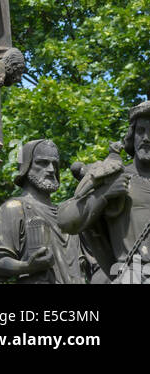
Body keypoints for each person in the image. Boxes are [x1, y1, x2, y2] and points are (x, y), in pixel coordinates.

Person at [63, 100, 150, 284]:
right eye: (141, 131)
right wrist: (104, 194)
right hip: (131, 276)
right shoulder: (114, 176)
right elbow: (66, 220)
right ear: (132, 136)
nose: (146, 138)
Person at [0, 140, 87, 284]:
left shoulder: (68, 214)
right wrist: (27, 266)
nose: (51, 169)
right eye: (42, 163)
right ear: (27, 166)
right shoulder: (14, 208)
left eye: (54, 164)